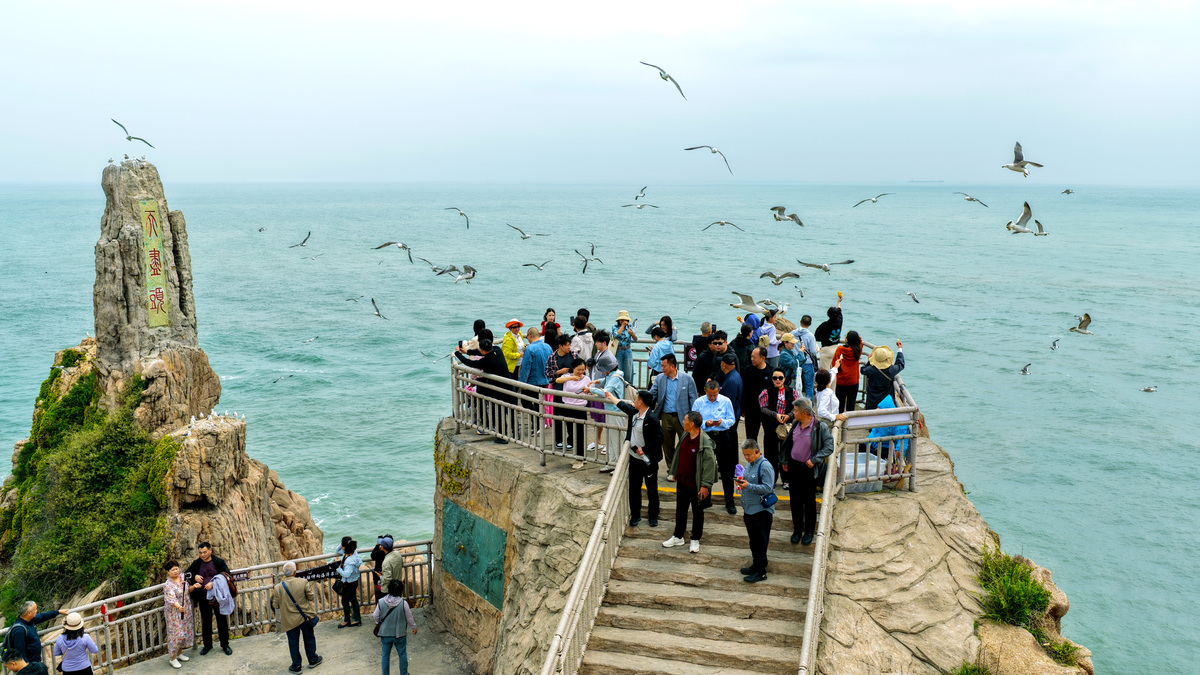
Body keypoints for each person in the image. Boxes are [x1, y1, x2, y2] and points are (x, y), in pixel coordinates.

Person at [779, 398, 834, 545]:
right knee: (795, 500)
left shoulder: (819, 427)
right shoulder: (796, 423)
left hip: (808, 468)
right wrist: (785, 460)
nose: (793, 413)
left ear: (804, 413)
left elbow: (829, 447)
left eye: (795, 411)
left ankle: (809, 531)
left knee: (809, 501)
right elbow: (788, 444)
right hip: (793, 466)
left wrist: (815, 459)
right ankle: (797, 530)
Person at [661, 411, 717, 554]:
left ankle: (695, 539)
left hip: (697, 485)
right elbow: (680, 455)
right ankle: (678, 536)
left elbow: (710, 466)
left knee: (698, 512)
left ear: (691, 424)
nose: (683, 421)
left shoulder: (704, 443)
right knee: (680, 510)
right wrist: (675, 472)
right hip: (683, 481)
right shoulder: (685, 435)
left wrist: (705, 485)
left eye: (685, 419)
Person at [606, 390, 662, 527]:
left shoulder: (652, 418)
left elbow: (659, 437)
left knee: (651, 488)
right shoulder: (634, 413)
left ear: (641, 402)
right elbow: (622, 406)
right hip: (635, 458)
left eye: (636, 400)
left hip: (648, 459)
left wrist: (645, 449)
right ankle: (635, 514)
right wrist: (610, 396)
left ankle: (653, 515)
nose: (633, 402)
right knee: (634, 487)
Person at [455, 336, 514, 444]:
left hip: (500, 388)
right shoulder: (497, 350)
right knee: (506, 411)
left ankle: (503, 437)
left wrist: (458, 354)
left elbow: (470, 363)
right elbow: (479, 352)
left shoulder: (487, 361)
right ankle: (513, 434)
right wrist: (467, 351)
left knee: (499, 412)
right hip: (508, 384)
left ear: (483, 351)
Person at [691, 380, 737, 515]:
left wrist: (722, 423)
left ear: (718, 391)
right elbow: (694, 420)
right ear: (705, 391)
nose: (712, 397)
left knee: (726, 469)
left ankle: (729, 500)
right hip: (706, 437)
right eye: (710, 395)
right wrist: (706, 423)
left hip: (722, 436)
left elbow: (732, 419)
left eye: (715, 395)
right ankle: (705, 499)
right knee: (706, 467)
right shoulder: (699, 402)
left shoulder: (725, 401)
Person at [270, 561, 323, 673]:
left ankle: (296, 666)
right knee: (309, 638)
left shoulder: (278, 587)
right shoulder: (303, 582)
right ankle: (313, 659)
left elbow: (276, 605)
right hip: (304, 617)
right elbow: (311, 597)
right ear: (294, 572)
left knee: (293, 643)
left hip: (289, 620)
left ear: (284, 573)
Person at [648, 353, 697, 472]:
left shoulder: (687, 379)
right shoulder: (660, 379)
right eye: (661, 366)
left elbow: (693, 399)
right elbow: (651, 394)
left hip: (684, 417)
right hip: (666, 416)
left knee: (685, 444)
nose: (662, 368)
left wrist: (692, 418)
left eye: (664, 366)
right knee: (667, 444)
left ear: (673, 366)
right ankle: (672, 468)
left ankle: (684, 467)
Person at [735, 439, 775, 583]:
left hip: (761, 511)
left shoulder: (765, 466)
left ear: (757, 451)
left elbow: (768, 488)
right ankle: (755, 565)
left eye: (749, 455)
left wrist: (749, 486)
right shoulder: (749, 465)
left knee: (760, 542)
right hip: (749, 510)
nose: (747, 457)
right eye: (744, 455)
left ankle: (761, 571)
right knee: (754, 541)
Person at [185, 542, 232, 656]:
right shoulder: (197, 563)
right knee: (205, 621)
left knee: (221, 621)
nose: (203, 555)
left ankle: (225, 644)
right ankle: (207, 645)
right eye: (200, 553)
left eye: (205, 552)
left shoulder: (219, 562)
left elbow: (226, 575)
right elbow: (186, 573)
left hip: (217, 597)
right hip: (203, 597)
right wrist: (194, 575)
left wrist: (213, 584)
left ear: (210, 551)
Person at [758, 368, 795, 484]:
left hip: (787, 427)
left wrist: (788, 415)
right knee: (771, 454)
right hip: (770, 427)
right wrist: (775, 415)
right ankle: (771, 480)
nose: (778, 380)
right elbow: (763, 408)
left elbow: (796, 407)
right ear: (772, 379)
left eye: (780, 378)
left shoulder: (791, 391)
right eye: (775, 378)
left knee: (787, 453)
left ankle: (787, 480)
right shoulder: (766, 392)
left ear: (784, 379)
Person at [374, 579, 417, 675]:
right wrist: (413, 627)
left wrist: (379, 622)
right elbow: (409, 617)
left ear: (389, 589)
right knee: (402, 654)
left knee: (385, 655)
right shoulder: (403, 603)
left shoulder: (381, 602)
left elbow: (375, 615)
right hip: (399, 634)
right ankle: (404, 673)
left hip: (385, 633)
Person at [555, 358, 591, 467]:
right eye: (578, 369)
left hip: (580, 408)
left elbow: (590, 391)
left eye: (583, 370)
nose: (581, 372)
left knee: (579, 433)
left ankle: (580, 459)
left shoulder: (587, 379)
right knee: (571, 432)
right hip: (568, 407)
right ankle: (578, 456)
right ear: (573, 368)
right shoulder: (567, 377)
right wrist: (572, 377)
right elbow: (557, 380)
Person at [161, 561, 194, 669]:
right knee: (177, 634)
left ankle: (179, 654)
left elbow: (187, 591)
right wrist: (179, 607)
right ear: (168, 572)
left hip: (185, 609)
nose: (175, 571)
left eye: (176, 569)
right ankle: (173, 658)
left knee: (184, 631)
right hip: (174, 612)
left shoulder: (182, 579)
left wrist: (195, 586)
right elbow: (171, 598)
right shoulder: (168, 584)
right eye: (172, 570)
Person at [741, 348, 771, 451]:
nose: (752, 359)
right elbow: (743, 390)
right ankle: (753, 460)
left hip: (767, 410)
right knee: (751, 438)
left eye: (754, 357)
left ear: (763, 358)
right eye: (751, 356)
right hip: (751, 410)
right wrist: (743, 408)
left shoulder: (771, 372)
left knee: (769, 436)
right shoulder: (747, 370)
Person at [546, 334, 574, 444]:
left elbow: (581, 370)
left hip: (571, 389)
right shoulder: (552, 357)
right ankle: (559, 440)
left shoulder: (573, 355)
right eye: (567, 345)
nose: (569, 347)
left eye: (570, 345)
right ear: (560, 346)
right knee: (558, 416)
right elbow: (547, 372)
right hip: (558, 389)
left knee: (570, 417)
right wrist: (559, 372)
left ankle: (571, 441)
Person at [862, 341, 905, 410]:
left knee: (870, 417)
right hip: (886, 401)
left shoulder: (871, 370)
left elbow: (863, 370)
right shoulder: (891, 370)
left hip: (872, 401)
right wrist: (899, 349)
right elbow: (900, 364)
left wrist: (869, 361)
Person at [832, 331, 864, 413]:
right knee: (851, 403)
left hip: (841, 381)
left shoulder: (840, 349)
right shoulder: (857, 350)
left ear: (847, 339)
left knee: (840, 403)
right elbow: (860, 342)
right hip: (853, 381)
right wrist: (857, 338)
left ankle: (839, 421)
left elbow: (834, 364)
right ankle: (849, 421)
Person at [791, 315, 820, 399]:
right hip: (807, 363)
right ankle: (808, 405)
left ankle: (795, 404)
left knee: (795, 385)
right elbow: (813, 352)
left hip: (796, 362)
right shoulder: (810, 336)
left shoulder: (793, 333)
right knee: (808, 386)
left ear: (800, 321)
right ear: (810, 324)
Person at [337, 540, 363, 628]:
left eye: (342, 545)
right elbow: (338, 550)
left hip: (349, 583)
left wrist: (339, 570)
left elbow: (347, 574)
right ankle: (357, 620)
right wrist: (345, 542)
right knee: (353, 600)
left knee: (345, 601)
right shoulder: (352, 554)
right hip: (353, 582)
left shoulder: (349, 561)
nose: (341, 547)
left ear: (346, 548)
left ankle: (346, 620)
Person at [814, 292, 844, 369]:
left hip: (826, 349)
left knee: (824, 374)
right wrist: (839, 302)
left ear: (828, 315)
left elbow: (816, 337)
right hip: (836, 349)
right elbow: (839, 310)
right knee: (834, 371)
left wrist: (823, 339)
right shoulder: (839, 321)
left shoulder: (824, 325)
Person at [611, 311, 637, 384]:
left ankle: (628, 388)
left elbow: (636, 338)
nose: (623, 321)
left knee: (628, 372)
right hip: (618, 350)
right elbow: (615, 335)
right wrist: (622, 326)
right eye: (621, 319)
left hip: (627, 350)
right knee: (618, 371)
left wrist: (632, 334)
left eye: (624, 319)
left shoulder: (630, 327)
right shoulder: (615, 327)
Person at [370, 536, 394, 602]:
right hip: (391, 578)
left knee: (379, 595)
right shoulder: (393, 554)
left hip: (379, 576)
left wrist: (377, 545)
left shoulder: (379, 553)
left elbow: (372, 555)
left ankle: (380, 608)